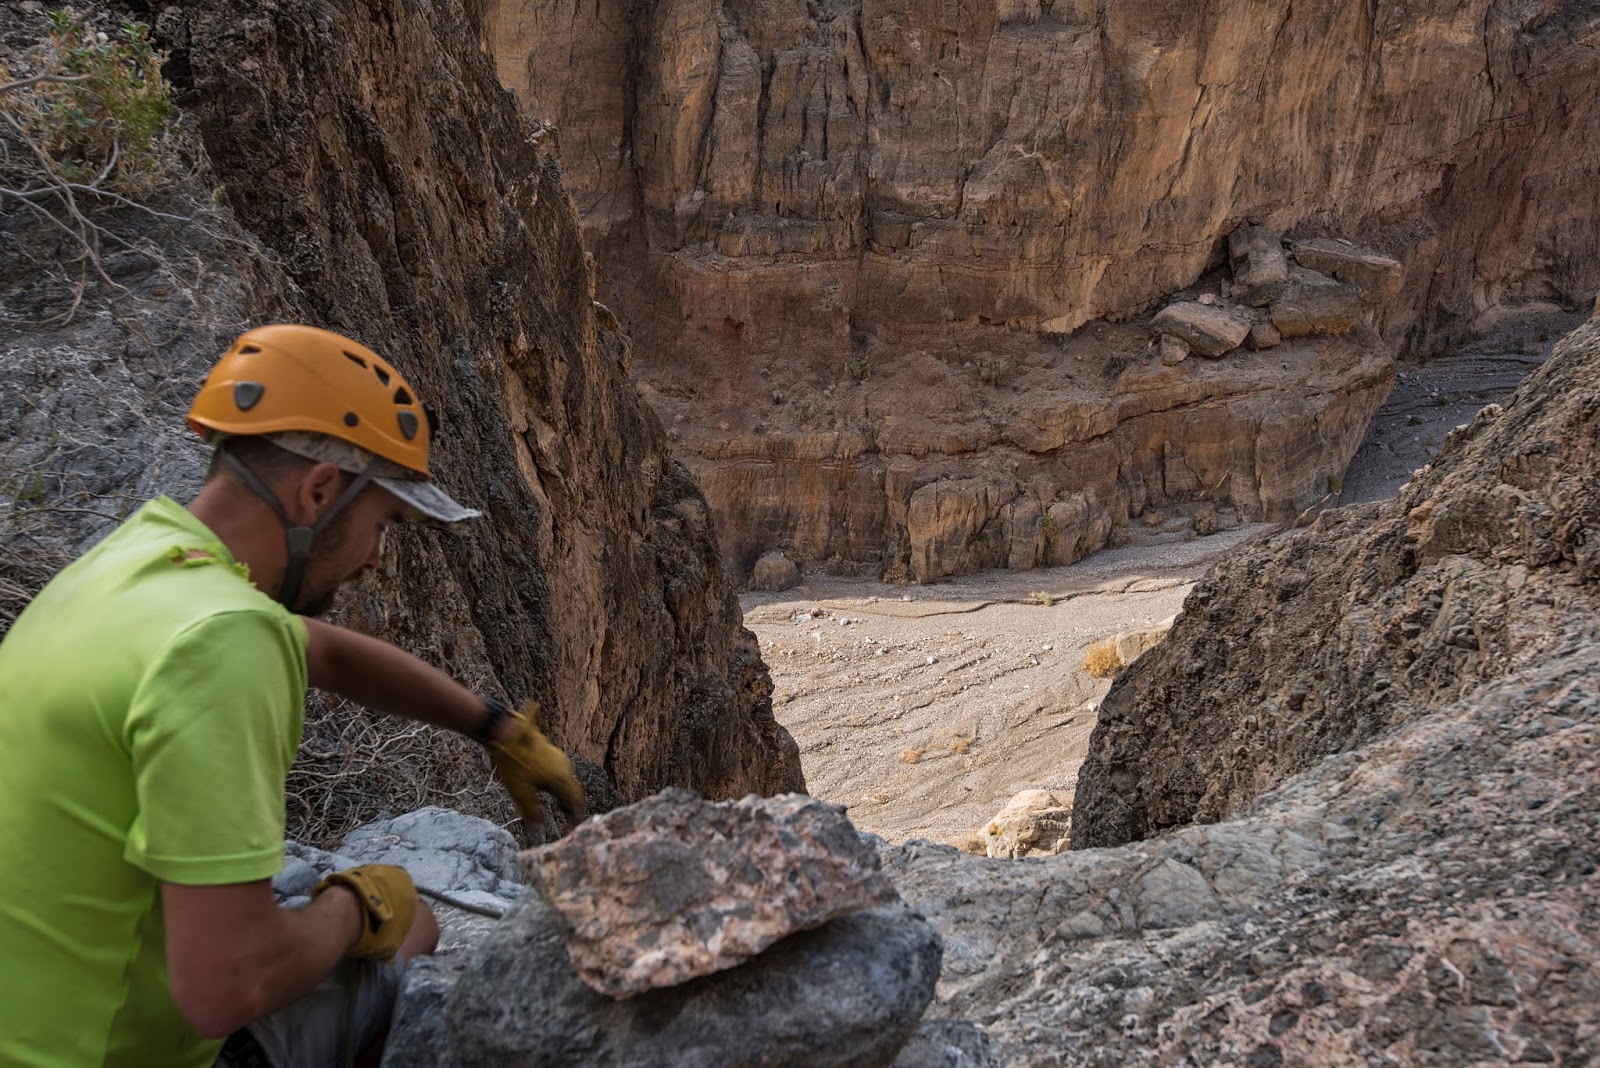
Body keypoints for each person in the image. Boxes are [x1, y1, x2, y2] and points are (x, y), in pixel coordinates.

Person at [0, 324, 587, 1068]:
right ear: (319, 492)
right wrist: (357, 904)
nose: (377, 557)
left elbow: (327, 653)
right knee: (411, 931)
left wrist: (492, 726)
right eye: (383, 522)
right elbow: (224, 988)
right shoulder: (222, 646)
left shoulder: (135, 566)